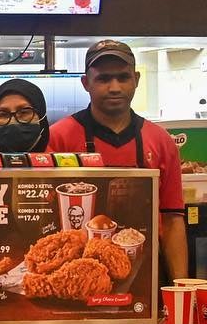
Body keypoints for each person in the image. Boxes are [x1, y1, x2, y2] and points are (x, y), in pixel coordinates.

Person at [49, 39, 188, 282]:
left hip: (146, 273)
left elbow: (173, 220)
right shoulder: (59, 137)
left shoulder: (161, 141)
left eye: (123, 77)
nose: (114, 87)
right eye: (103, 79)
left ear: (136, 79)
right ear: (85, 83)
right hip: (77, 272)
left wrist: (181, 288)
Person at [0, 78, 50, 153]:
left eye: (24, 113)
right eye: (3, 114)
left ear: (42, 118)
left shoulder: (63, 163)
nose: (13, 122)